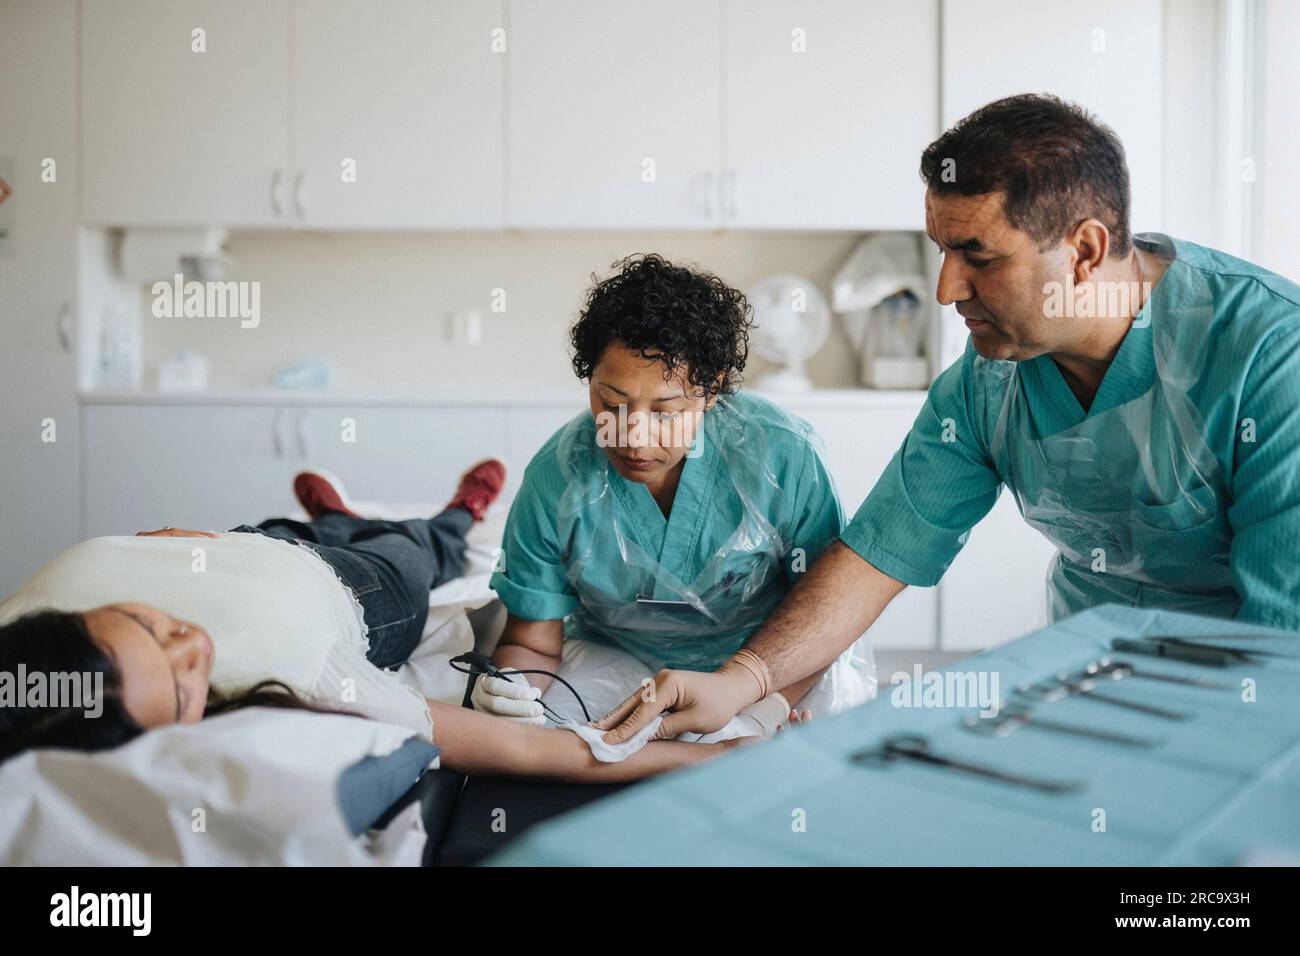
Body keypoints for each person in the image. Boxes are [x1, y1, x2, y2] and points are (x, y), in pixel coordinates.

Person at [599, 92, 1300, 743]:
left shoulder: (1269, 360)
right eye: (941, 249)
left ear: (1083, 251)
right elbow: (877, 554)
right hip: (1088, 678)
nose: (943, 289)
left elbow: (1282, 650)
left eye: (977, 255)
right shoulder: (984, 385)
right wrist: (740, 680)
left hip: (1241, 707)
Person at [0, 461, 734, 780]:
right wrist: (720, 755)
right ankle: (460, 512)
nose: (194, 641)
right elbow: (532, 753)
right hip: (356, 588)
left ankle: (332, 515)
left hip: (239, 541)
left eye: (147, 621)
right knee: (411, 543)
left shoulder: (25, 629)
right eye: (186, 679)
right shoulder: (290, 683)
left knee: (292, 524)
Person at [481, 254, 873, 738]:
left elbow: (825, 617)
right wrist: (512, 689)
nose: (635, 439)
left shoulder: (782, 458)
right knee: (569, 741)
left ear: (712, 391)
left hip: (774, 668)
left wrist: (757, 711)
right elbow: (534, 645)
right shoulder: (557, 479)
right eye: (611, 403)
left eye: (666, 411)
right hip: (621, 661)